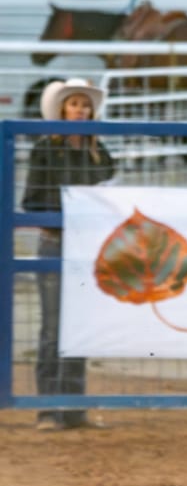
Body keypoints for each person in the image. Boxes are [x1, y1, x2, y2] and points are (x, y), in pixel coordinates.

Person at [21, 78, 116, 431]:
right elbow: (31, 200)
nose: (81, 110)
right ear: (62, 109)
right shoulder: (47, 148)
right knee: (54, 327)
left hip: (85, 244)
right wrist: (68, 212)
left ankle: (72, 407)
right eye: (75, 104)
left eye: (85, 105)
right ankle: (49, 409)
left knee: (78, 325)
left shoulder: (97, 149)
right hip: (58, 241)